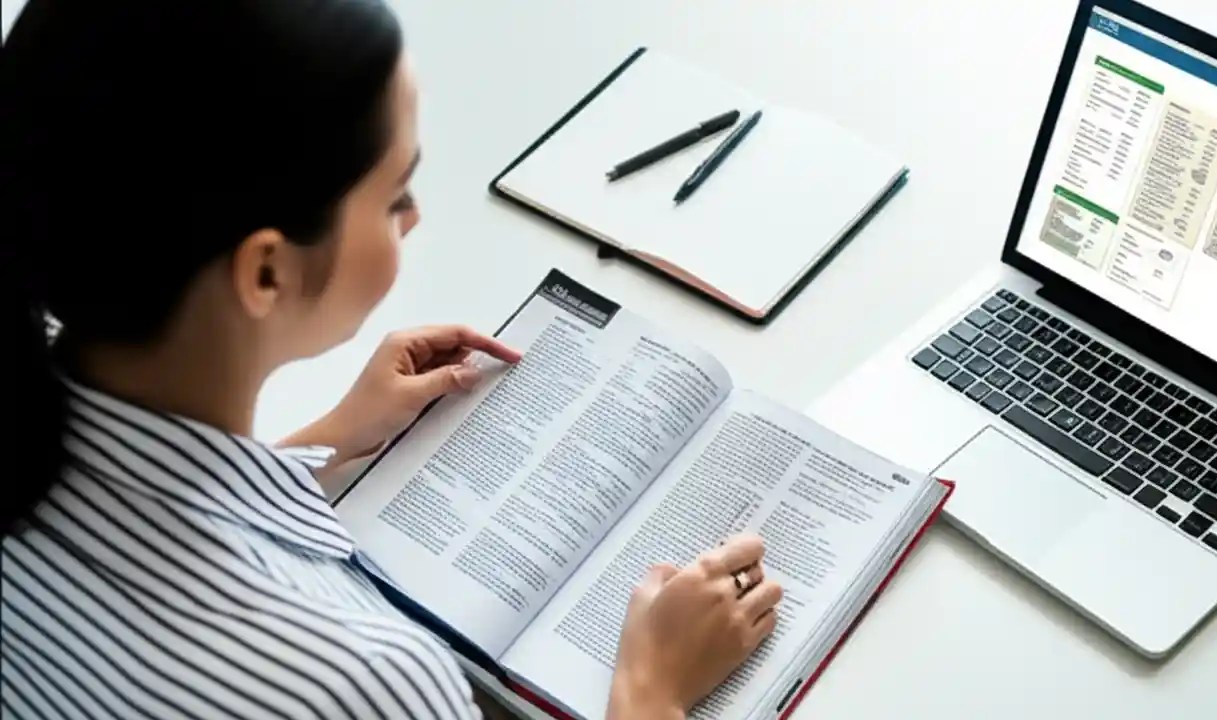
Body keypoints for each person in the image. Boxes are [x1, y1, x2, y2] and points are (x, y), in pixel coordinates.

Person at [0, 1, 784, 718]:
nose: (415, 217)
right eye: (393, 194)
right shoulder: (368, 682)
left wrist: (332, 437)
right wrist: (650, 687)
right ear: (266, 272)